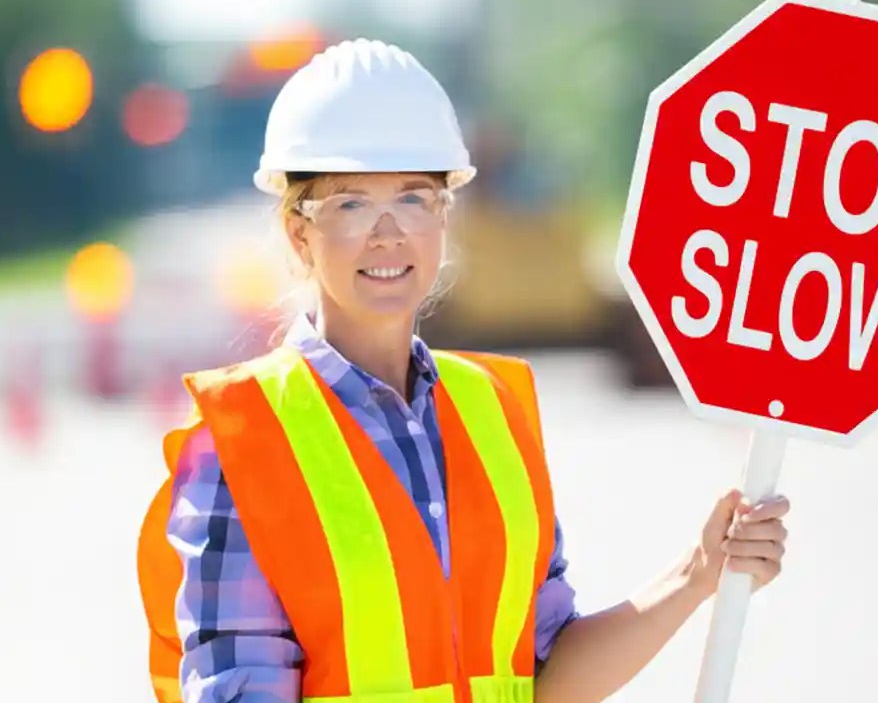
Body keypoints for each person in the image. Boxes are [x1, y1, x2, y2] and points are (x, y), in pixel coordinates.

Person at [136, 38, 791, 703]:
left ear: (446, 216)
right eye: (351, 203)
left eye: (415, 198)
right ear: (299, 231)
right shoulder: (242, 442)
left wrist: (699, 573)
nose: (388, 232)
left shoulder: (494, 411)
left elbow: (544, 681)